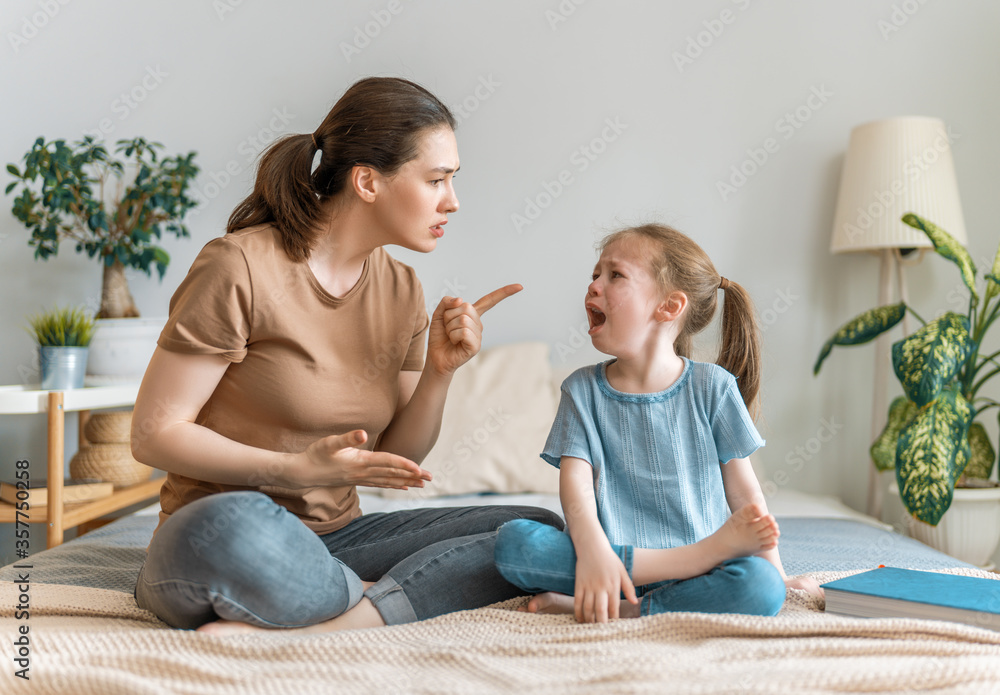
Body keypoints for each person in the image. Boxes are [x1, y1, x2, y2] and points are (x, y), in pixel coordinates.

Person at [131, 76, 563, 634]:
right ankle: (380, 597)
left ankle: (346, 615)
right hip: (221, 534)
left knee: (535, 529)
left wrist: (439, 372)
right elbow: (153, 434)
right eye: (436, 180)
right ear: (367, 182)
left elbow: (396, 460)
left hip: (340, 540)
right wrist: (293, 468)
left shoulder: (403, 289)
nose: (452, 201)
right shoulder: (239, 266)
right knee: (237, 527)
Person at [493, 223, 822, 624]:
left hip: (699, 571)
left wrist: (778, 573)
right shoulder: (581, 390)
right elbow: (575, 492)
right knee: (515, 543)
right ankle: (650, 579)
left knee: (761, 586)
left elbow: (744, 494)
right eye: (595, 274)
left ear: (669, 306)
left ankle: (632, 608)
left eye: (615, 275)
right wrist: (595, 550)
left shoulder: (712, 387)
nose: (594, 286)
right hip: (609, 559)